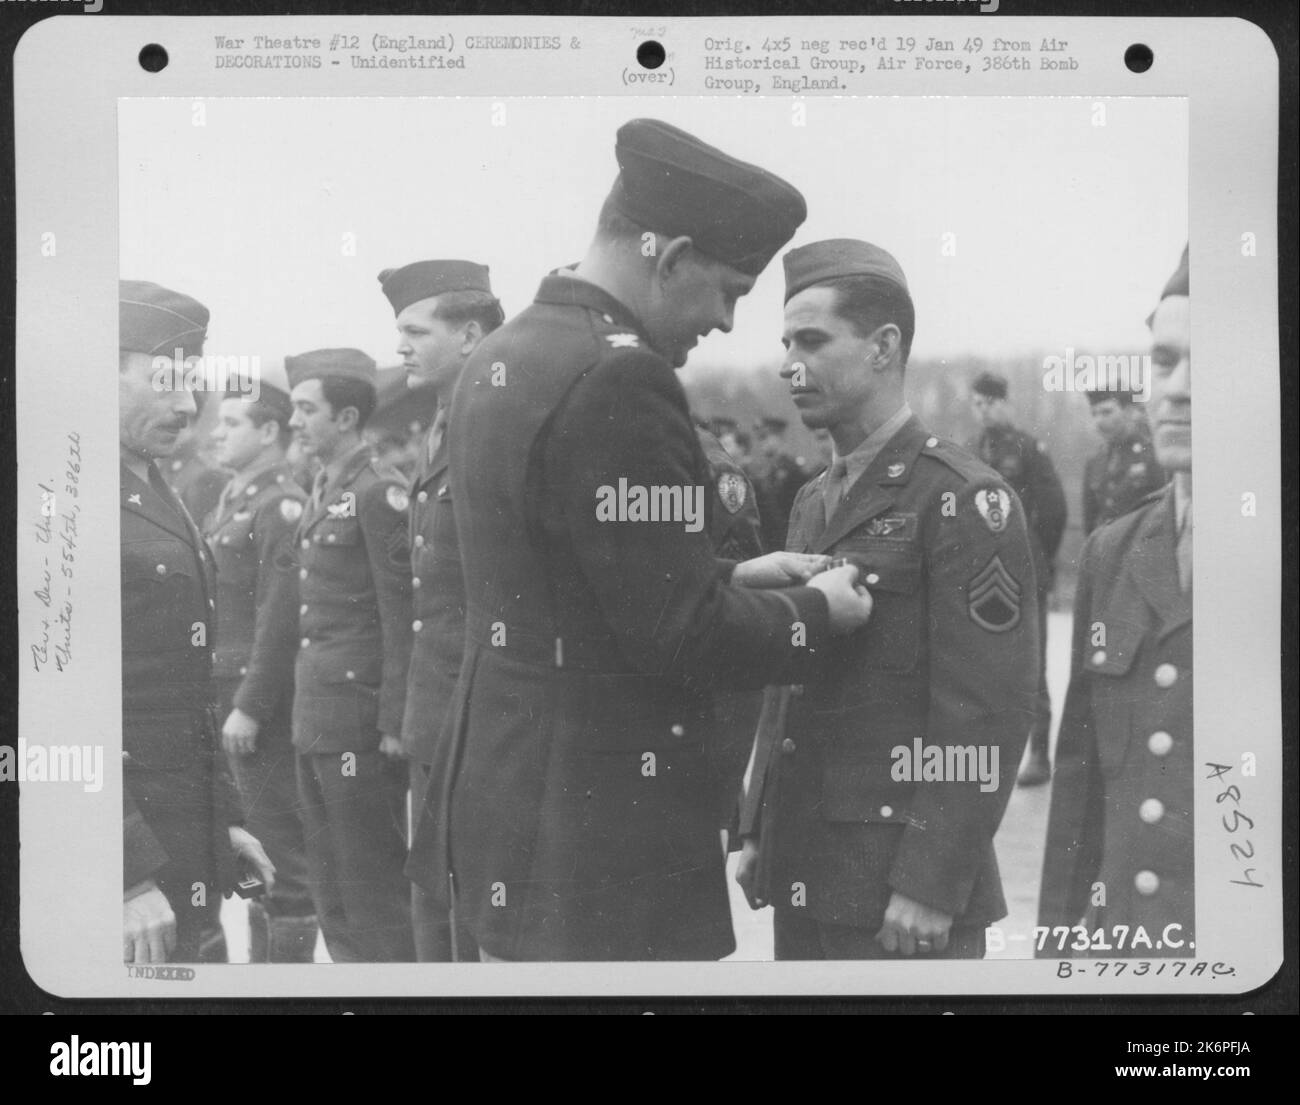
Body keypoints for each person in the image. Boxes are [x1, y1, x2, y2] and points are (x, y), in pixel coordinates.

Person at [407, 118, 871, 962]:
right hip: (601, 847)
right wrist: (814, 610)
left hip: (509, 817)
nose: (728, 322)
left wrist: (738, 572)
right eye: (728, 289)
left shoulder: (506, 353)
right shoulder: (624, 376)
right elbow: (675, 634)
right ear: (672, 256)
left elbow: (572, 578)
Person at [735, 239, 1039, 960]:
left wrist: (933, 882)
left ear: (883, 347)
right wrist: (757, 823)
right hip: (806, 865)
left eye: (811, 340)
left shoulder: (962, 496)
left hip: (900, 893)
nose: (788, 364)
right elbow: (791, 674)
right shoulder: (815, 498)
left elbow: (986, 710)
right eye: (785, 343)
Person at [1039, 246, 1193, 955]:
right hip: (1122, 952)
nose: (1178, 390)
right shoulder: (1113, 551)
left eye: (1209, 363)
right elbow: (1080, 785)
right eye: (1163, 362)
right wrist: (1057, 956)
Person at [119, 280, 274, 964]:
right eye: (165, 381)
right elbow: (55, 714)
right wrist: (123, 870)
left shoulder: (156, 487)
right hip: (132, 878)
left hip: (183, 843)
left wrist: (225, 825)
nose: (187, 403)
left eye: (191, 382)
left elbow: (184, 690)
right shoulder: (59, 499)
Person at [380, 259, 503, 961]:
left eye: (413, 330)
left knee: (472, 933)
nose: (399, 347)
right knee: (436, 923)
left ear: (471, 334)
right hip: (437, 722)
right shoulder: (443, 425)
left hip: (480, 724)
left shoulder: (498, 422)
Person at [287, 348, 415, 962]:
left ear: (345, 418)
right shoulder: (322, 488)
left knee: (373, 892)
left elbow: (401, 616)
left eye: (305, 409)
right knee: (330, 889)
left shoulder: (376, 492)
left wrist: (394, 720)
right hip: (317, 720)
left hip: (360, 725)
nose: (293, 421)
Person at [205, 362, 317, 962]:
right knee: (251, 851)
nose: (215, 434)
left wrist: (249, 706)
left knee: (280, 852)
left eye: (231, 422)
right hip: (229, 698)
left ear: (270, 431)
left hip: (259, 707)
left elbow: (281, 621)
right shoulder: (236, 499)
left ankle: (286, 988)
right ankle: (258, 981)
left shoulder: (281, 507)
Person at [969, 370, 1067, 786]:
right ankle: (994, 754)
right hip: (983, 575)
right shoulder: (974, 450)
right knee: (988, 664)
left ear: (1005, 402)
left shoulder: (1028, 448)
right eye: (977, 403)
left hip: (1024, 572)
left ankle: (1039, 755)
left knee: (1033, 663)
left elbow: (1054, 508)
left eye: (990, 402)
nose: (984, 410)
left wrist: (1032, 555)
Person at [1082, 389, 1166, 535]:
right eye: (1094, 414)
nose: (1099, 421)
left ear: (1128, 411)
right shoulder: (1095, 461)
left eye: (1106, 412)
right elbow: (1090, 521)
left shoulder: (1153, 454)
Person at [748, 416, 807, 553]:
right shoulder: (765, 472)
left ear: (779, 437)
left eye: (766, 437)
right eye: (760, 438)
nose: (763, 443)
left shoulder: (792, 469)